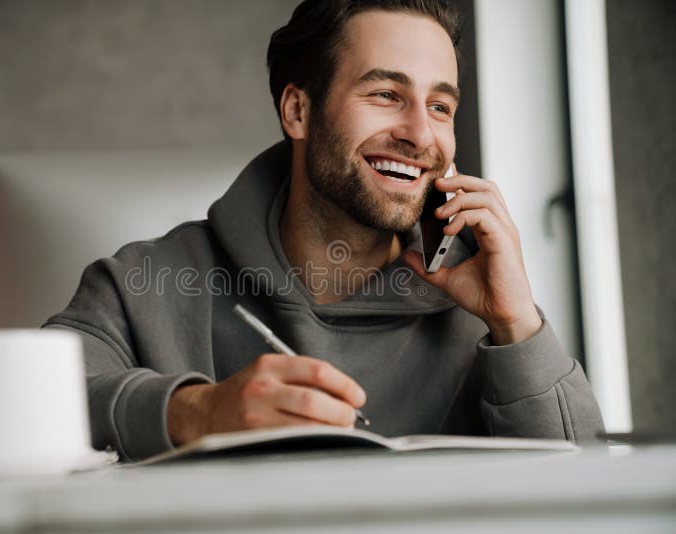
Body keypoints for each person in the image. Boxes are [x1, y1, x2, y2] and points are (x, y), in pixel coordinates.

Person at [44, 0, 604, 461]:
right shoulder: (147, 282)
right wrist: (196, 412)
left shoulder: (478, 309)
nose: (419, 134)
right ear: (297, 112)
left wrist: (517, 325)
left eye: (439, 106)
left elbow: (591, 502)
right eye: (386, 94)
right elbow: (24, 401)